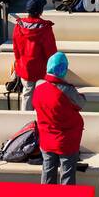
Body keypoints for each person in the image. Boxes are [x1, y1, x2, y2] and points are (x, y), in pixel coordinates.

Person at [35, 52, 87, 186]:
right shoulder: (67, 90)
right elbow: (80, 103)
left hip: (46, 139)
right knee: (67, 174)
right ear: (63, 69)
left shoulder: (39, 87)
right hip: (66, 140)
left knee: (47, 171)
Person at [12, 0, 57, 110]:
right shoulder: (45, 28)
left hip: (25, 68)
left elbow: (16, 48)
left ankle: (26, 121)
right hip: (41, 71)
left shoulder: (19, 26)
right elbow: (51, 52)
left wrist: (19, 63)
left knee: (27, 93)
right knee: (43, 95)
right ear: (40, 12)